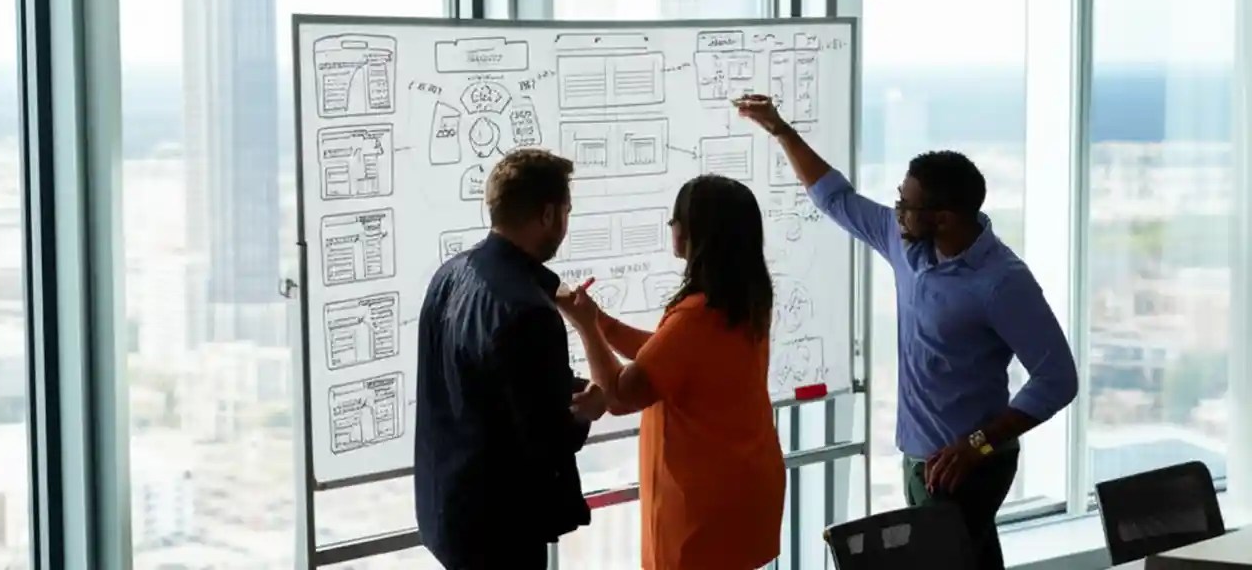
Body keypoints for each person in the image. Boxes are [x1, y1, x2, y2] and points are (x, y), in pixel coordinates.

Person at [734, 94, 1077, 570]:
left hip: (969, 466)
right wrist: (781, 130)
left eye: (906, 204)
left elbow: (1058, 378)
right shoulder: (906, 242)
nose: (895, 210)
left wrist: (976, 444)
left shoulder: (1001, 282)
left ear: (944, 218)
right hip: (922, 460)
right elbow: (836, 197)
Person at [558, 175, 786, 570]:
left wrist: (585, 326)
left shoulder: (696, 316)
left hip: (700, 512)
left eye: (676, 219)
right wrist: (602, 323)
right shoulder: (743, 301)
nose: (671, 228)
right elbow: (670, 355)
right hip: (746, 494)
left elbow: (619, 394)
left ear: (697, 232)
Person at [414, 148, 606, 570]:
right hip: (501, 529)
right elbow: (549, 440)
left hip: (447, 508)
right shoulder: (529, 310)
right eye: (567, 212)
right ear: (548, 214)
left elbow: (479, 380)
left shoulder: (449, 274)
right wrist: (588, 409)